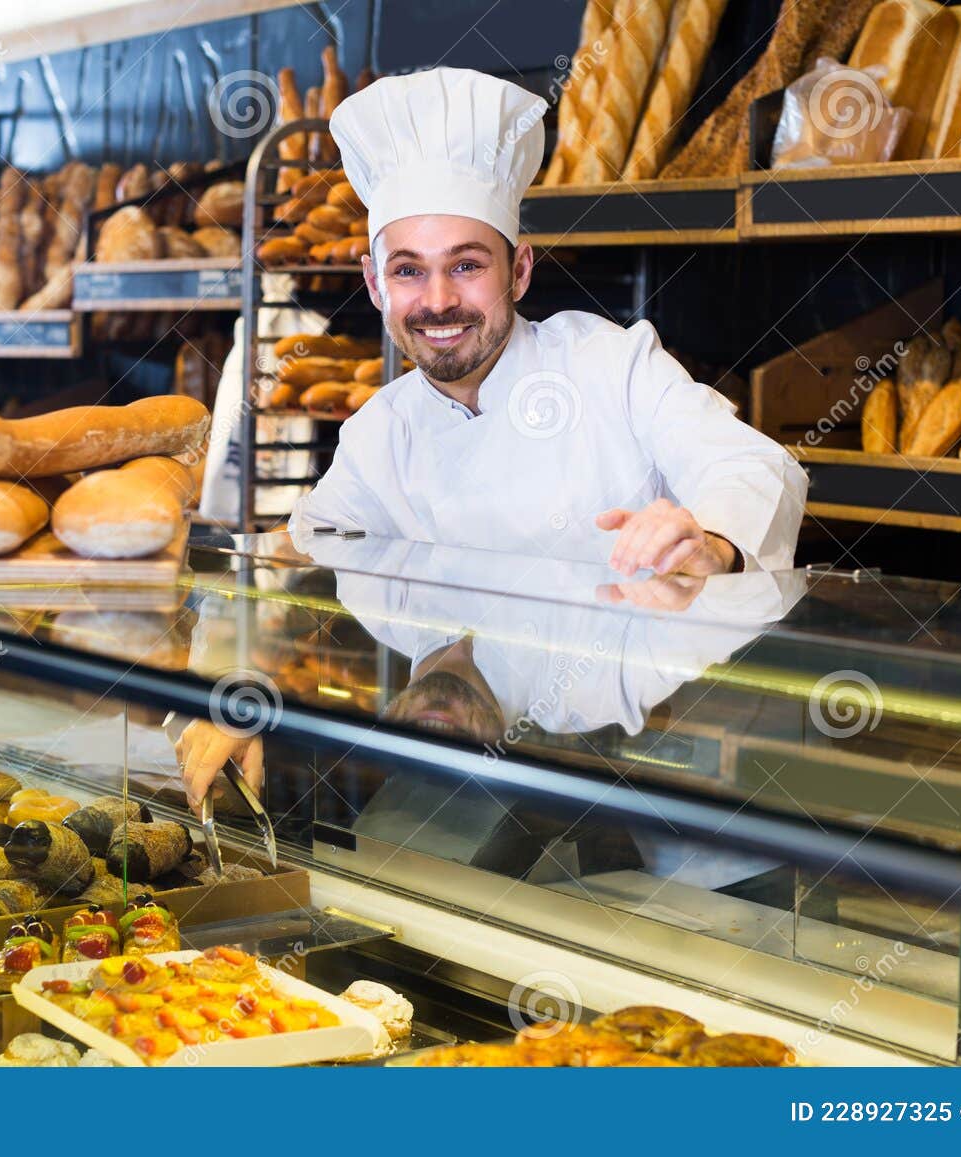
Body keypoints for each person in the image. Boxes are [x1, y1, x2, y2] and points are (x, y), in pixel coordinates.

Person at [178, 66, 808, 808]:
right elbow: (299, 562)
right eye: (409, 271)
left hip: (676, 810)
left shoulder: (610, 363)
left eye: (467, 266)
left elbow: (755, 467)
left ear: (519, 269)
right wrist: (242, 676)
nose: (438, 301)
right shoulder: (379, 431)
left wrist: (710, 539)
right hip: (459, 825)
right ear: (375, 285)